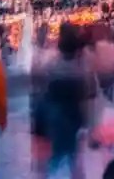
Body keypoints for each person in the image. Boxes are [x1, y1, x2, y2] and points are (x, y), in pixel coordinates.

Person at [39, 22, 94, 178]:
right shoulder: (82, 69)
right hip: (74, 118)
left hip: (56, 118)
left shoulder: (51, 66)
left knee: (55, 158)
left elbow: (45, 92)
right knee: (75, 159)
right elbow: (86, 97)